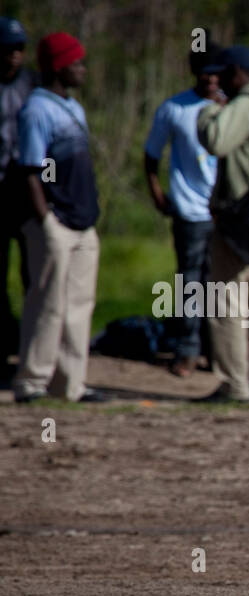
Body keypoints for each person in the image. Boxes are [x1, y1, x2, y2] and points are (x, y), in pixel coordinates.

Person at [13, 33, 103, 403]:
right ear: (58, 66)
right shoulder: (37, 110)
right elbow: (33, 169)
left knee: (79, 305)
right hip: (56, 222)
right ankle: (32, 381)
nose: (82, 69)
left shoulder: (73, 107)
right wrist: (46, 218)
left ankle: (69, 384)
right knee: (48, 304)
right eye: (76, 63)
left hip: (83, 220)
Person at [195, 45, 249, 403]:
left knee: (225, 302)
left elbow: (216, 141)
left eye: (222, 74)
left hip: (239, 215)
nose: (216, 81)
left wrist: (208, 114)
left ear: (236, 74)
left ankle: (234, 385)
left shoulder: (246, 104)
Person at [144, 45, 223, 377]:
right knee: (191, 281)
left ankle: (217, 349)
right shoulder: (174, 108)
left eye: (216, 71)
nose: (211, 78)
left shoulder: (231, 107)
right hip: (189, 209)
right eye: (205, 71)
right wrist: (157, 192)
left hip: (223, 211)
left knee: (219, 283)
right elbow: (151, 155)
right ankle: (187, 348)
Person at [0, 17, 35, 361]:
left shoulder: (33, 86)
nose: (14, 56)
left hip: (27, 195)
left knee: (33, 275)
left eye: (19, 49)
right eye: (7, 49)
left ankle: (31, 346)